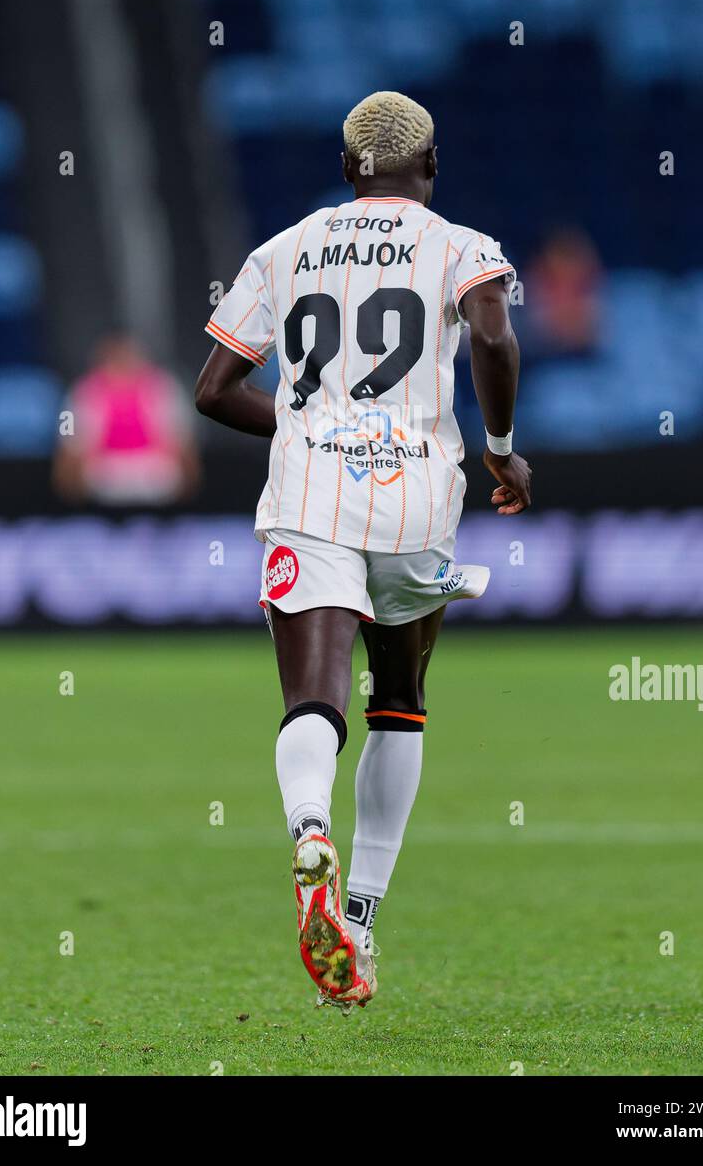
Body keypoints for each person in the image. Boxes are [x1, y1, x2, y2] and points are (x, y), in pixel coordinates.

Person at [195, 91, 531, 1010]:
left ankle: (310, 828)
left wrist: (305, 428)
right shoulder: (464, 246)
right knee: (402, 701)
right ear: (431, 167)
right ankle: (364, 918)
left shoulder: (286, 249)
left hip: (309, 499)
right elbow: (495, 335)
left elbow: (214, 389)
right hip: (416, 500)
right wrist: (500, 448)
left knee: (313, 699)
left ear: (347, 170)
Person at [54, 333, 199, 505]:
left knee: (166, 473)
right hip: (103, 469)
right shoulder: (80, 394)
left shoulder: (165, 388)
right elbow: (68, 445)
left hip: (153, 468)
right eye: (115, 360)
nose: (122, 366)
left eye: (127, 359)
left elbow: (183, 441)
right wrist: (69, 487)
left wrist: (190, 485)